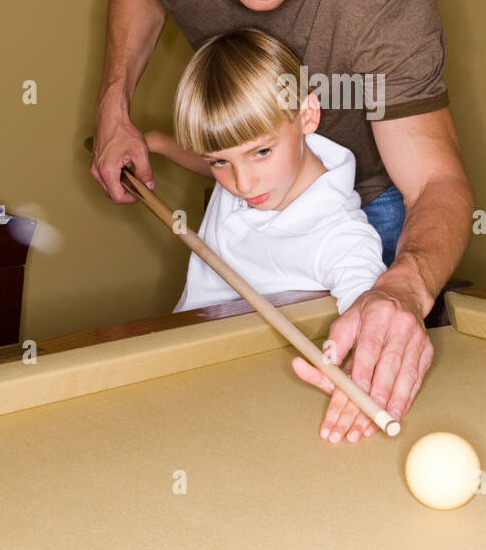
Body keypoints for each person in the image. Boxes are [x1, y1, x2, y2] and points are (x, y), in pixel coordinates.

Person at [92, 0, 474, 444]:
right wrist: (115, 104)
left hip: (368, 198)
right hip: (242, 183)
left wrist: (405, 287)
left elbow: (437, 183)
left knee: (360, 377)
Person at [150, 30, 386, 341]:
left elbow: (372, 315)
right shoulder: (253, 172)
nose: (243, 185)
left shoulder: (343, 239)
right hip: (179, 346)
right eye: (219, 162)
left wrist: (370, 335)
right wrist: (151, 142)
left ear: (307, 115)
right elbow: (212, 156)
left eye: (261, 152)